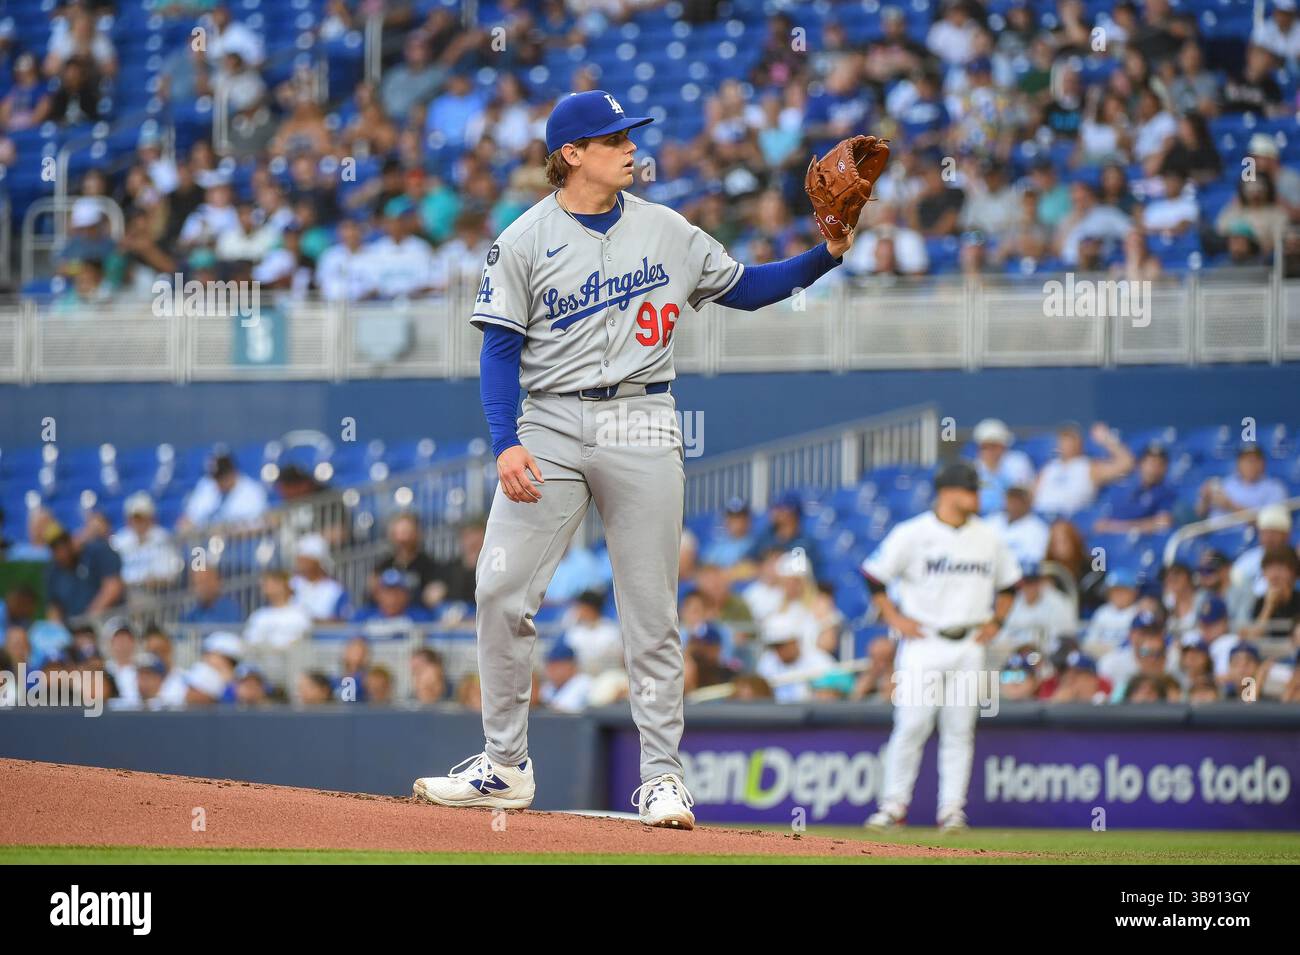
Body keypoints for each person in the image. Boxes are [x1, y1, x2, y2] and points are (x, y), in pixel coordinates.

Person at [413, 89, 855, 830]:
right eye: (612, 136)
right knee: (499, 591)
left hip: (644, 415)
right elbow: (498, 353)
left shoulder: (667, 228)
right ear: (573, 154)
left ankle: (662, 779)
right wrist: (506, 442)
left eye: (629, 134)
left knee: (651, 613)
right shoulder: (522, 240)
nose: (629, 145)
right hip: (548, 420)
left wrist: (826, 256)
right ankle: (504, 764)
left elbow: (746, 288)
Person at [862, 462, 1021, 832]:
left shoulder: (989, 536)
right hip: (924, 642)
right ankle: (893, 806)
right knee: (911, 725)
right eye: (971, 490)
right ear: (949, 492)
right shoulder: (913, 533)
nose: (978, 497)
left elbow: (1010, 586)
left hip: (969, 643)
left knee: (959, 730)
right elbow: (873, 576)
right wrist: (895, 619)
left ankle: (952, 810)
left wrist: (996, 622)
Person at [1034, 422, 1135, 517]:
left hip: (1069, 523)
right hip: (1040, 519)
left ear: (1080, 443)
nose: (1066, 444)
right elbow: (1030, 494)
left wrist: (1107, 439)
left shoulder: (1089, 467)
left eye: (1071, 439)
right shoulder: (1048, 468)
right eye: (1063, 439)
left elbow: (1126, 464)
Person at [44, 524, 124, 620]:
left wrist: (89, 617)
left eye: (64, 543)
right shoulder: (53, 572)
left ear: (71, 540)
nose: (62, 550)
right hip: (75, 627)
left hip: (108, 618)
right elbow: (54, 608)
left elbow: (113, 587)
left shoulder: (97, 552)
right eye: (56, 547)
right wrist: (57, 630)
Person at [178, 449, 269, 531]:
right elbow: (186, 520)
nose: (217, 482)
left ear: (232, 473)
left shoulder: (252, 492)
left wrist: (224, 532)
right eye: (215, 478)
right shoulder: (207, 485)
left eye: (221, 477)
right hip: (207, 544)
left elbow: (259, 526)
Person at [1230, 504, 1294, 619]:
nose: (1269, 537)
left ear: (1286, 535)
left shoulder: (1294, 557)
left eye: (1274, 532)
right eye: (1265, 533)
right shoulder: (1247, 560)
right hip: (1253, 608)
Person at [999, 562, 1079, 654]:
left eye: (1032, 581)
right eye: (1025, 582)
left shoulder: (1058, 603)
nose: (1029, 586)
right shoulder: (1012, 602)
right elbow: (1001, 637)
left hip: (1047, 657)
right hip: (1015, 655)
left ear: (1040, 581)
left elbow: (1065, 639)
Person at [1094, 444, 1176, 533]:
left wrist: (1116, 528)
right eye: (1151, 463)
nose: (1154, 469)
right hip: (1110, 540)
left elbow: (1163, 523)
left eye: (1160, 464)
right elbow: (1099, 524)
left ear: (1165, 468)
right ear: (1140, 464)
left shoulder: (1166, 493)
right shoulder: (1122, 485)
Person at [110, 493, 183, 588]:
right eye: (134, 518)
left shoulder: (162, 537)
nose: (138, 523)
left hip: (157, 592)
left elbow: (172, 571)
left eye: (141, 518)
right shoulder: (119, 540)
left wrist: (156, 580)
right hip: (126, 592)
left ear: (150, 518)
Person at [1197, 445, 1288, 519]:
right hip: (1211, 536)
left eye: (1254, 460)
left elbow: (1270, 523)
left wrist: (1230, 505)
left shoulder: (1274, 488)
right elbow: (1200, 514)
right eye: (1246, 461)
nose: (1250, 465)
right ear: (1238, 464)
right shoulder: (1226, 484)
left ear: (1262, 464)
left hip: (1247, 538)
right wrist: (1205, 499)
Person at [968, 418, 1035, 516]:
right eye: (985, 447)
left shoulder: (1018, 462)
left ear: (1004, 445)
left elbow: (1023, 496)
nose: (989, 451)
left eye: (993, 446)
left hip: (1011, 517)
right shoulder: (973, 467)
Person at [1242, 547, 1300, 639]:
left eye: (1281, 568)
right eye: (1269, 568)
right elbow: (1252, 639)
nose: (1275, 575)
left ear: (1294, 571)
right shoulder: (1259, 602)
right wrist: (1268, 606)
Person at [984, 486, 1049, 566]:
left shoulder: (1038, 529)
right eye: (1011, 499)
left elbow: (1034, 561)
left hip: (1021, 575)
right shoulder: (992, 521)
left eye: (1018, 500)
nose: (1013, 504)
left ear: (1027, 503)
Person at [562, 590, 623, 675]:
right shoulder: (574, 633)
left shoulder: (611, 631)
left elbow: (619, 660)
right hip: (580, 676)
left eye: (582, 607)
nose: (579, 611)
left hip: (607, 676)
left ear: (591, 609)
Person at [539, 640, 592, 713]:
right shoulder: (547, 687)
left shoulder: (584, 683)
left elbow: (566, 710)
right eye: (549, 665)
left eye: (556, 665)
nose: (550, 670)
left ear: (571, 666)